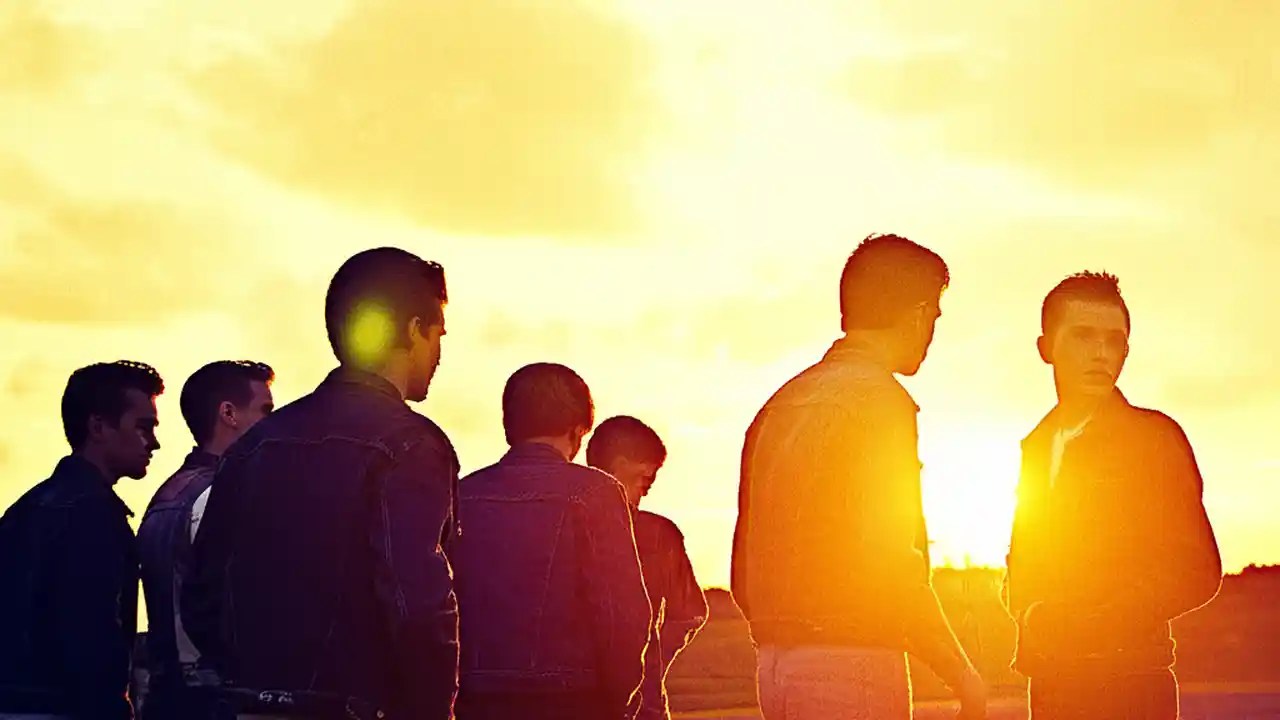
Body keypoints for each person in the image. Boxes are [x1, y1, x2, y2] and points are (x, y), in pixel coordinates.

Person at [183, 248, 461, 719]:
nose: (439, 353)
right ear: (413, 329)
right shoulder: (411, 444)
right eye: (437, 334)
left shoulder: (256, 444)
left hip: (254, 706)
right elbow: (417, 604)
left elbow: (202, 595)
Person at [731, 234, 985, 720]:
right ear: (917, 314)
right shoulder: (882, 402)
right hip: (853, 665)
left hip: (774, 667)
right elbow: (895, 560)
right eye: (933, 317)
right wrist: (962, 673)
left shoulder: (778, 405)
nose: (931, 333)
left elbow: (743, 563)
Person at [1003, 271, 1222, 719]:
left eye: (1114, 341)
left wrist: (1096, 621)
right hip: (1050, 684)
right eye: (1084, 336)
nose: (1101, 354)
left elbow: (1198, 568)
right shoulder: (1037, 445)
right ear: (1047, 348)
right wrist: (1027, 611)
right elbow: (1023, 559)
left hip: (1129, 683)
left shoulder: (1154, 438)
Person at [451, 363, 652, 720]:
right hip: (574, 701)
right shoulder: (597, 493)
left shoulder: (462, 494)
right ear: (577, 430)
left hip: (477, 700)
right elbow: (624, 614)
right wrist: (618, 701)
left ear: (509, 425)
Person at [0, 361, 165, 719]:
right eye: (143, 427)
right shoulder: (91, 515)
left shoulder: (25, 510)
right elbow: (90, 638)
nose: (154, 442)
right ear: (98, 427)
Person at [135, 360, 274, 719]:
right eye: (265, 410)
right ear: (228, 413)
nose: (273, 425)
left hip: (164, 696)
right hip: (213, 699)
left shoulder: (166, 495)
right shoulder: (227, 495)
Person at [586, 416, 707, 720]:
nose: (648, 490)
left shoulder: (558, 525)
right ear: (619, 464)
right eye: (644, 479)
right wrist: (651, 661)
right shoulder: (659, 534)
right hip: (642, 705)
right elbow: (691, 613)